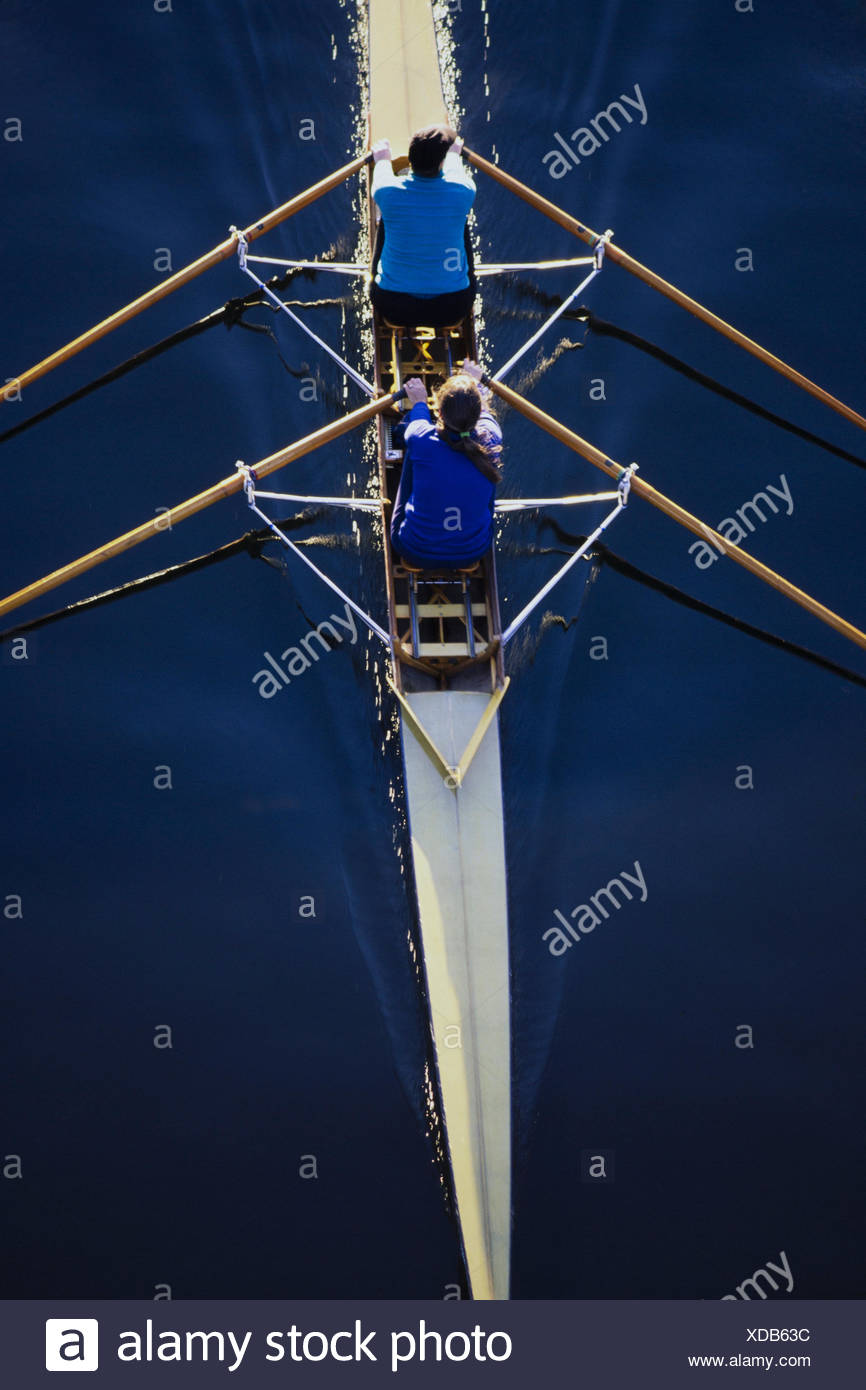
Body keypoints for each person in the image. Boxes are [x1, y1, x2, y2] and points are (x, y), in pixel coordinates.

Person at [390, 359, 502, 570]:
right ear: (477, 416)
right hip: (474, 551)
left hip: (412, 548)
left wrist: (420, 401)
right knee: (489, 461)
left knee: (413, 451)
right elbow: (485, 411)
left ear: (439, 413)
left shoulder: (420, 437)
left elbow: (419, 418)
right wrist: (475, 382)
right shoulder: (492, 438)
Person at [370, 125, 476, 327]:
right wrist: (454, 156)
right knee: (459, 219)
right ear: (441, 163)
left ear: (410, 161)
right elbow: (455, 174)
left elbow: (382, 172)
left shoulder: (387, 192)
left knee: (388, 217)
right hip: (453, 306)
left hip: (393, 305)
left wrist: (383, 158)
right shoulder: (464, 191)